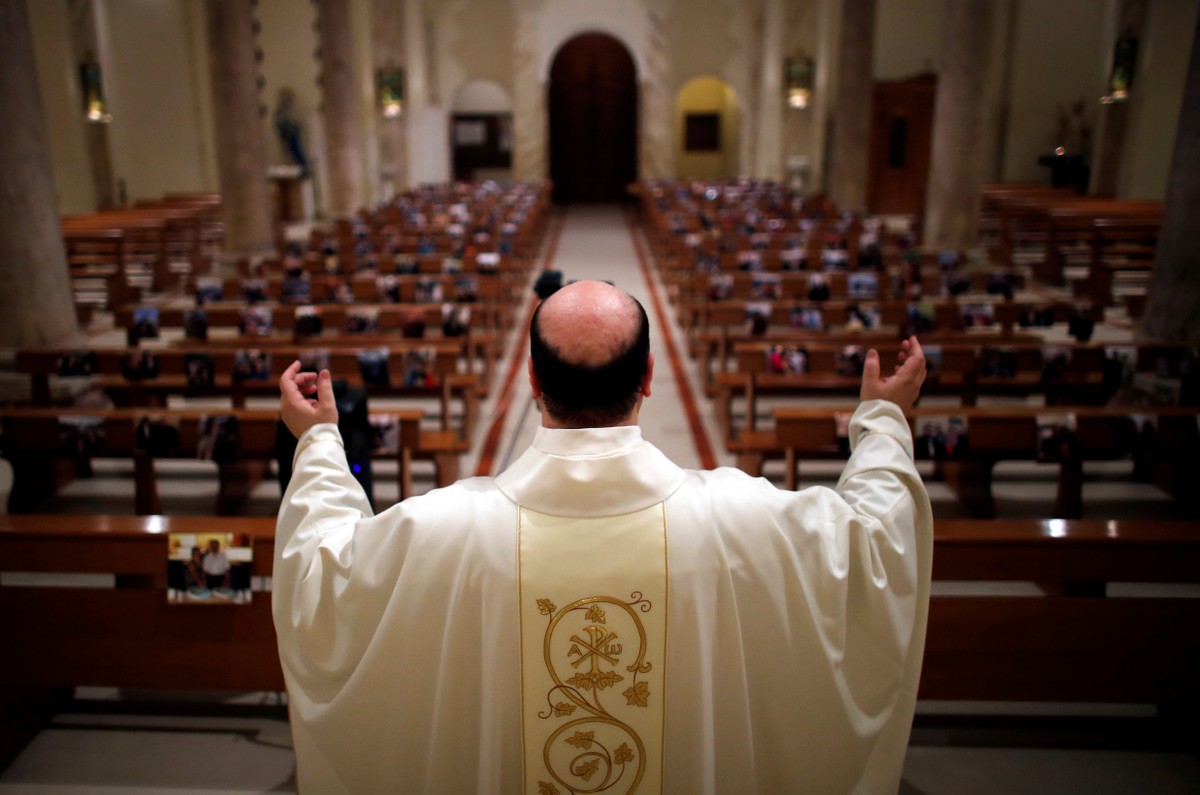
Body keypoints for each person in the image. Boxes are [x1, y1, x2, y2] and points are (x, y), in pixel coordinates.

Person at [275, 280, 931, 794]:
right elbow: (875, 546)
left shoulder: (441, 529)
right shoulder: (743, 518)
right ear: (648, 378)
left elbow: (319, 577)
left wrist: (320, 441)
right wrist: (882, 418)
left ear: (534, 382)